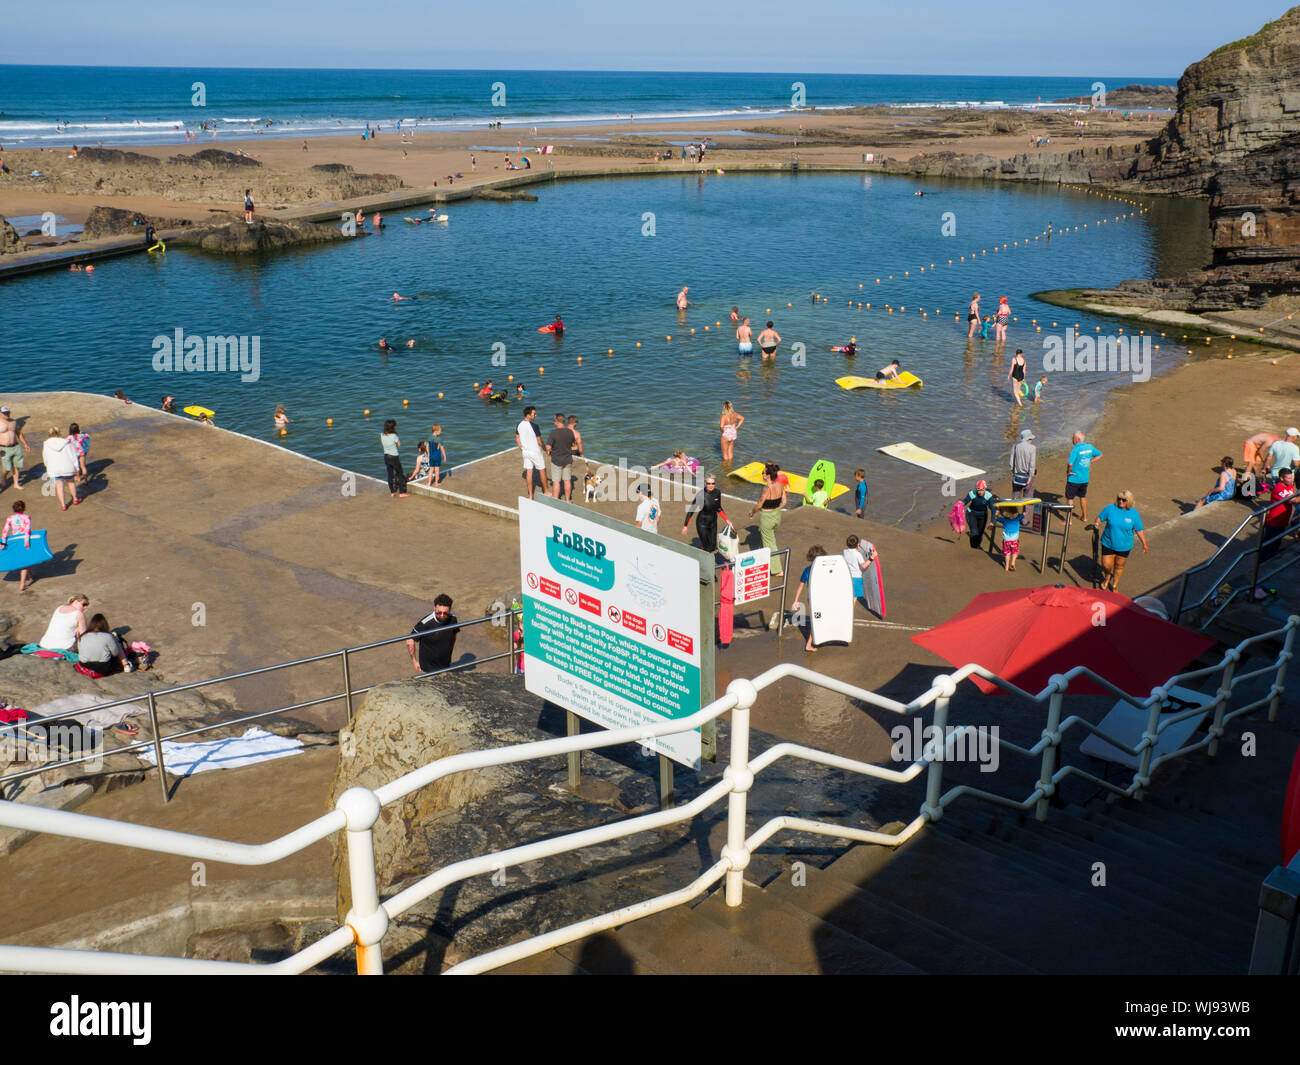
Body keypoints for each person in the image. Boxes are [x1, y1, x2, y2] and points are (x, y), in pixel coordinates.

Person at [1094, 490, 1148, 593]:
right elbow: (1100, 518)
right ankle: (1107, 577)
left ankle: (1114, 585)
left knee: (1119, 566)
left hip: (1124, 546)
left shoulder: (1134, 513)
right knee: (1106, 565)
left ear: (1129, 501)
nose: (1121, 501)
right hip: (1108, 542)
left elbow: (1139, 529)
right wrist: (1096, 524)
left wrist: (1144, 544)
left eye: (1124, 500)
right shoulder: (1110, 508)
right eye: (1119, 499)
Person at [748, 463, 787, 576]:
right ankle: (761, 560)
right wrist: (776, 509)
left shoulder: (767, 488)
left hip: (767, 517)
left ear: (768, 475)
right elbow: (784, 502)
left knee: (770, 543)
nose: (762, 474)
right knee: (766, 538)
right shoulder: (780, 485)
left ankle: (777, 570)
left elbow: (759, 505)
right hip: (777, 516)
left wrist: (752, 512)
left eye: (763, 472)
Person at [406, 594, 459, 674]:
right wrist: (414, 661)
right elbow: (410, 640)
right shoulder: (425, 623)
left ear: (450, 610)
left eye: (445, 613)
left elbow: (454, 635)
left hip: (446, 665)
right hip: (427, 669)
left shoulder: (453, 619)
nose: (442, 615)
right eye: (439, 612)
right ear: (434, 608)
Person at [789, 546, 828, 653]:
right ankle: (809, 644)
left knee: (818, 618)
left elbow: (800, 586)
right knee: (818, 620)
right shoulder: (824, 569)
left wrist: (796, 600)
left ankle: (815, 639)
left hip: (812, 599)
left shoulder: (807, 570)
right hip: (819, 599)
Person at [683, 474, 729, 553]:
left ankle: (703, 552)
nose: (711, 485)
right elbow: (691, 510)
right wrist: (685, 526)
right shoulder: (701, 495)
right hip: (702, 524)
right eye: (708, 483)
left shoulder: (717, 492)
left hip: (713, 523)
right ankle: (702, 558)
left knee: (713, 546)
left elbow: (718, 508)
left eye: (713, 483)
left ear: (715, 483)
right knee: (707, 547)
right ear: (705, 483)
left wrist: (727, 520)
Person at [1065, 431, 1103, 521]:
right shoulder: (1090, 447)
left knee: (1070, 498)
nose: (1072, 439)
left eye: (1073, 438)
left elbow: (1070, 463)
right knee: (1083, 497)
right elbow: (1100, 454)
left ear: (1078, 439)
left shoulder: (1075, 449)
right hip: (1085, 478)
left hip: (1074, 479)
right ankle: (1084, 517)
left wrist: (1068, 472)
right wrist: (1090, 461)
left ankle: (1069, 520)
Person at [42, 427, 81, 509]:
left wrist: (48, 467)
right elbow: (73, 456)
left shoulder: (46, 444)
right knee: (71, 482)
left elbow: (45, 458)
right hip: (67, 468)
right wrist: (77, 468)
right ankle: (75, 499)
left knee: (59, 486)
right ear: (59, 432)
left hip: (54, 469)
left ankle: (63, 505)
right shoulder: (66, 442)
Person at [0, 500, 33, 591]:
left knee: (26, 559)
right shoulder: (27, 517)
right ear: (24, 508)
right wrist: (27, 541)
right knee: (24, 562)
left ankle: (30, 576)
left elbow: (5, 530)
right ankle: (22, 584)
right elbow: (27, 530)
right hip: (23, 541)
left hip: (15, 540)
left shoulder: (10, 518)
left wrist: (3, 543)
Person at [516, 406, 548, 499]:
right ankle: (546, 491)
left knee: (529, 471)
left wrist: (522, 448)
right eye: (534, 414)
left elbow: (517, 439)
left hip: (525, 452)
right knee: (542, 469)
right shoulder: (535, 426)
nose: (536, 415)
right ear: (528, 415)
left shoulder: (519, 424)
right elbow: (539, 441)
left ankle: (530, 495)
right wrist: (545, 449)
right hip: (535, 452)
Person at [546, 412, 577, 500]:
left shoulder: (553, 433)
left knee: (556, 482)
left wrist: (548, 451)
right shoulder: (570, 432)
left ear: (557, 421)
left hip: (556, 460)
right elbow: (574, 446)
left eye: (554, 420)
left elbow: (548, 447)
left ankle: (556, 500)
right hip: (567, 459)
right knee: (567, 481)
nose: (553, 422)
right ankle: (568, 500)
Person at [0, 405, 30, 493]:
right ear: (0, 413)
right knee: (7, 468)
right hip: (4, 448)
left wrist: (25, 444)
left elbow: (19, 433)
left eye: (8, 413)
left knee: (17, 466)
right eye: (5, 413)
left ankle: (16, 483)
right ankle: (2, 479)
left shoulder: (13, 421)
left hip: (15, 446)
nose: (7, 415)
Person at [964, 479, 996, 549]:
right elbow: (965, 501)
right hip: (971, 513)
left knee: (980, 533)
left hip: (983, 515)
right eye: (978, 490)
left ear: (985, 489)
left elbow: (993, 509)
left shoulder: (988, 496)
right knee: (974, 532)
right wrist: (959, 504)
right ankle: (973, 548)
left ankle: (977, 546)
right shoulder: (972, 493)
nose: (980, 492)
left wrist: (992, 522)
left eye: (982, 490)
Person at [380, 419, 408, 498]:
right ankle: (402, 493)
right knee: (400, 474)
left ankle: (392, 492)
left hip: (386, 456)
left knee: (390, 475)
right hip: (394, 457)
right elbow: (399, 444)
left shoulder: (382, 434)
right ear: (392, 427)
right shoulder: (394, 436)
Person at [1010, 429, 1036, 498]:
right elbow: (1032, 465)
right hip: (1027, 476)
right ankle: (1026, 509)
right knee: (1028, 499)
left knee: (1015, 498)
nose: (1031, 440)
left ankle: (1014, 508)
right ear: (1028, 439)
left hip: (1017, 476)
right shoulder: (1032, 448)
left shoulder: (1015, 447)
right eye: (1031, 439)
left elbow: (1011, 464)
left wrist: (1014, 473)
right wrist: (1030, 477)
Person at [995, 504, 1022, 572]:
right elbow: (1024, 514)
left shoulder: (1004, 520)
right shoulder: (1018, 518)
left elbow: (996, 517)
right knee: (1015, 551)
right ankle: (1012, 563)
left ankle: (1006, 566)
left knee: (1007, 553)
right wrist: (1024, 506)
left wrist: (997, 509)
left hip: (1006, 540)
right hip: (1014, 540)